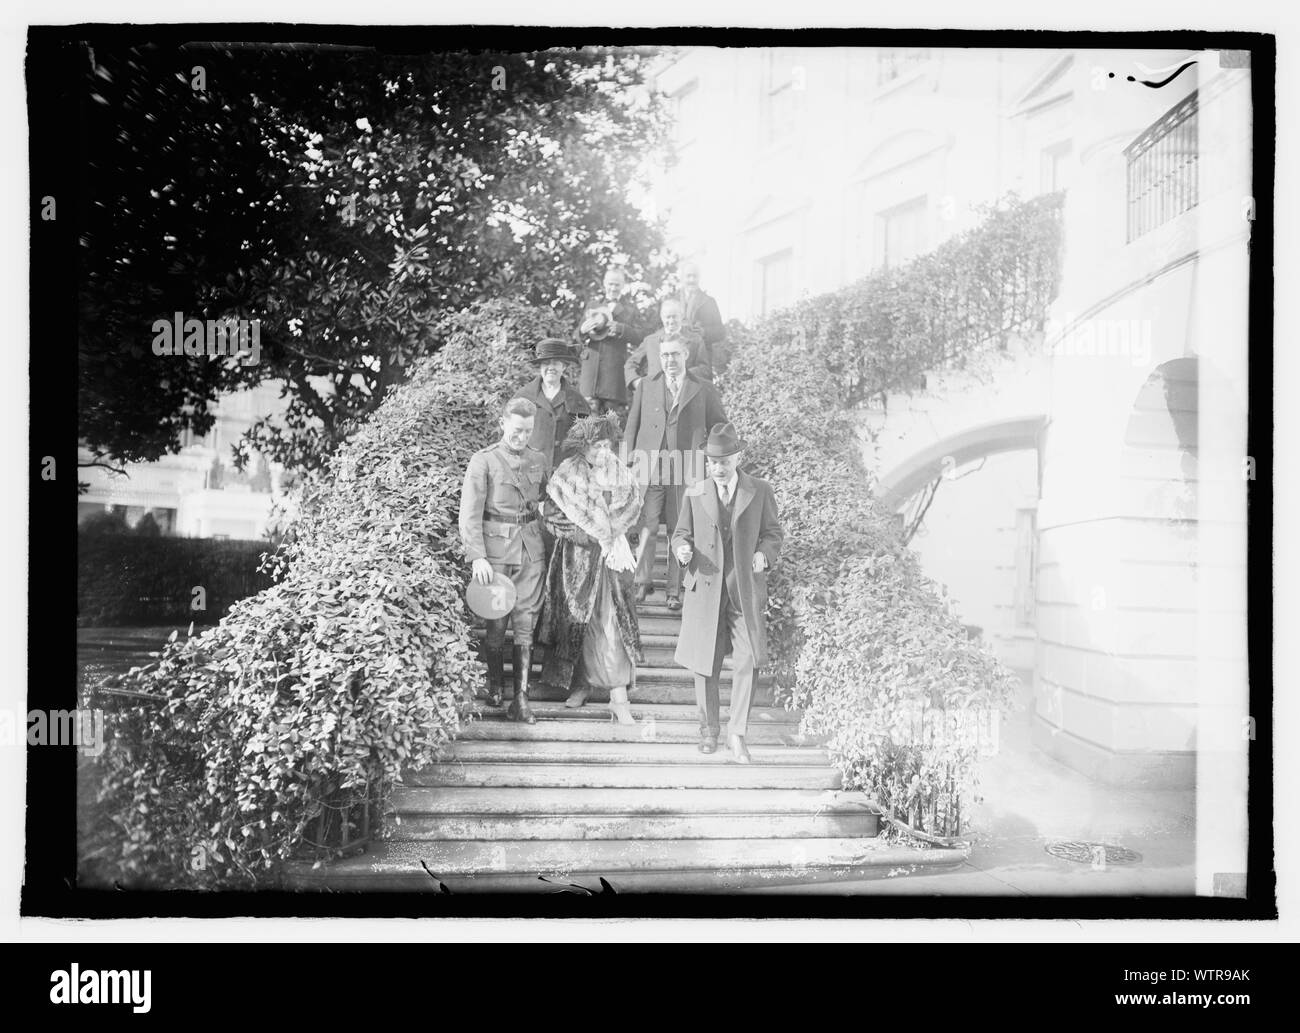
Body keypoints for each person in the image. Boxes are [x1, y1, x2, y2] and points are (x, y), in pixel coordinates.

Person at [672, 422, 784, 762]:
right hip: (704, 587)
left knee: (747, 658)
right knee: (705, 662)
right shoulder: (695, 490)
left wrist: (764, 554)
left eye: (724, 461)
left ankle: (737, 734)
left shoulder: (759, 490)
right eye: (712, 462)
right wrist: (681, 550)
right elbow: (680, 533)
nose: (717, 468)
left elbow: (773, 533)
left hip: (744, 588)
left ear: (739, 457)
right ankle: (709, 731)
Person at [539, 414, 644, 724]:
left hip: (612, 561)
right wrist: (583, 534)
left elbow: (632, 509)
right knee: (577, 623)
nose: (602, 450)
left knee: (613, 623)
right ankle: (580, 683)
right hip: (578, 561)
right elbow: (551, 517)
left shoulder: (619, 472)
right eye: (595, 445)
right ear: (582, 446)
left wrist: (617, 534)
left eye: (605, 444)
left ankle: (618, 697)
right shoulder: (566, 474)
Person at [458, 397, 551, 723]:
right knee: (496, 624)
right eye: (516, 430)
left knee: (526, 623)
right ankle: (496, 685)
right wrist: (477, 557)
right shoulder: (484, 461)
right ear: (503, 425)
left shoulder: (539, 460)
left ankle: (521, 700)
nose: (521, 437)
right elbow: (469, 514)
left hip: (530, 552)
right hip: (495, 556)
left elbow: (545, 502)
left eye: (527, 431)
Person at [623, 336, 726, 611]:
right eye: (665, 355)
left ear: (686, 355)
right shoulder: (646, 385)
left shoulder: (702, 388)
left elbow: (719, 425)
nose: (670, 360)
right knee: (648, 525)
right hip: (650, 467)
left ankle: (674, 589)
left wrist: (710, 456)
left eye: (675, 355)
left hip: (686, 469)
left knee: (679, 530)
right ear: (659, 356)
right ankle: (642, 582)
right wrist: (627, 462)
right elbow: (632, 425)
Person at [514, 338, 590, 470]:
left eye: (556, 363)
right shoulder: (523, 397)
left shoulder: (577, 400)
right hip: (530, 474)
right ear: (540, 367)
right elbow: (510, 436)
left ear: (564, 366)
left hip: (565, 477)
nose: (551, 368)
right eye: (546, 363)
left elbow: (586, 444)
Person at [578, 267, 642, 417]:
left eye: (617, 285)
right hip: (591, 374)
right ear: (604, 284)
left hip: (614, 376)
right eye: (610, 284)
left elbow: (641, 337)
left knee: (612, 427)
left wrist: (622, 329)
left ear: (623, 286)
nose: (613, 288)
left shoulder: (630, 310)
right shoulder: (592, 306)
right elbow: (577, 336)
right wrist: (582, 330)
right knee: (587, 425)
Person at [624, 296, 712, 394]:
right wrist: (637, 382)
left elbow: (705, 369)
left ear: (682, 316)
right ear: (662, 318)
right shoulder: (651, 341)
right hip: (655, 395)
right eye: (668, 317)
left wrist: (683, 375)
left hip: (685, 393)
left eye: (675, 316)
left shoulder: (695, 340)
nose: (671, 321)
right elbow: (630, 364)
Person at [676, 260, 725, 354]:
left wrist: (704, 332)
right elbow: (659, 328)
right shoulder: (671, 300)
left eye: (695, 276)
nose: (692, 280)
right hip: (675, 354)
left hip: (701, 356)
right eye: (688, 276)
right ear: (681, 278)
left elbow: (721, 331)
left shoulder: (709, 302)